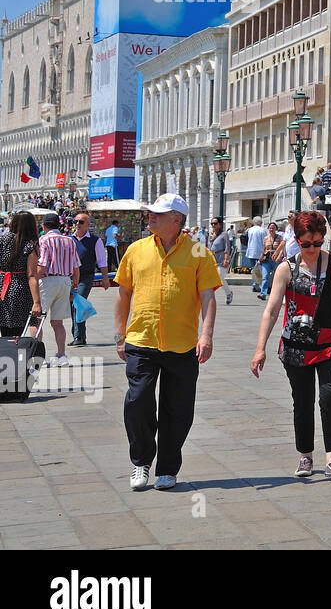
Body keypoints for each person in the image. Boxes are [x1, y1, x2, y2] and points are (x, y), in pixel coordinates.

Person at [115, 194, 221, 492]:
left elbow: (208, 297)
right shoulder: (136, 250)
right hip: (142, 339)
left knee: (178, 409)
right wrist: (119, 334)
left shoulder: (199, 252)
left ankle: (167, 468)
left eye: (159, 214)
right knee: (138, 402)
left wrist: (207, 335)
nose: (151, 216)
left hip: (182, 344)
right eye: (151, 212)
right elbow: (123, 293)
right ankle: (141, 461)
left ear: (177, 221)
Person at [251, 210, 331, 482]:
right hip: (296, 348)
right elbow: (272, 309)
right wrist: (260, 347)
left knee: (329, 397)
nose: (312, 249)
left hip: (330, 344)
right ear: (297, 240)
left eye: (317, 243)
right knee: (302, 402)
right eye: (306, 244)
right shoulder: (286, 268)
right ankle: (305, 455)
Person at [36, 212, 78, 366]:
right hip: (65, 281)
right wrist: (75, 286)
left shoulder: (43, 240)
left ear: (44, 225)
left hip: (48, 280)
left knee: (37, 320)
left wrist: (33, 280)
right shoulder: (69, 241)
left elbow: (43, 265)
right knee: (58, 322)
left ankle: (37, 357)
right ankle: (61, 355)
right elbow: (76, 267)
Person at [70, 210, 110, 347]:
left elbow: (102, 261)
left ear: (87, 224)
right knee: (72, 306)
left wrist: (105, 278)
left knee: (79, 303)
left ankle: (79, 336)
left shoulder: (95, 240)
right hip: (71, 277)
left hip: (86, 276)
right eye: (75, 221)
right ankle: (77, 335)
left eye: (81, 222)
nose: (77, 224)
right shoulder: (70, 239)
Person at [0, 212, 40, 339]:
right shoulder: (30, 245)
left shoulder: (2, 240)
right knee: (15, 335)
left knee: (4, 331)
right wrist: (36, 302)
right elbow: (32, 275)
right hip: (19, 289)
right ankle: (11, 357)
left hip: (1, 286)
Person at [204, 218, 234, 306]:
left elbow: (227, 248)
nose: (213, 225)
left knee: (220, 277)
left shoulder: (224, 234)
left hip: (221, 258)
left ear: (220, 224)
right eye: (212, 224)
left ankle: (228, 293)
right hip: (211, 258)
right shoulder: (211, 234)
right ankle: (209, 296)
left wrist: (226, 259)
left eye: (215, 223)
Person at [257, 223, 282, 300]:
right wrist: (260, 259)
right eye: (270, 228)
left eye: (273, 228)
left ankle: (278, 293)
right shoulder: (266, 238)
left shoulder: (280, 238)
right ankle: (263, 293)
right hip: (267, 260)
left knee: (278, 277)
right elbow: (263, 250)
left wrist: (279, 256)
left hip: (276, 259)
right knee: (265, 276)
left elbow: (281, 248)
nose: (271, 230)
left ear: (276, 229)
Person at [244, 216, 268, 292]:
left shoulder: (249, 230)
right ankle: (257, 284)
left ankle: (254, 283)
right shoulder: (263, 230)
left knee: (254, 269)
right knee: (259, 269)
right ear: (260, 222)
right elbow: (265, 241)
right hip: (259, 252)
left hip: (251, 251)